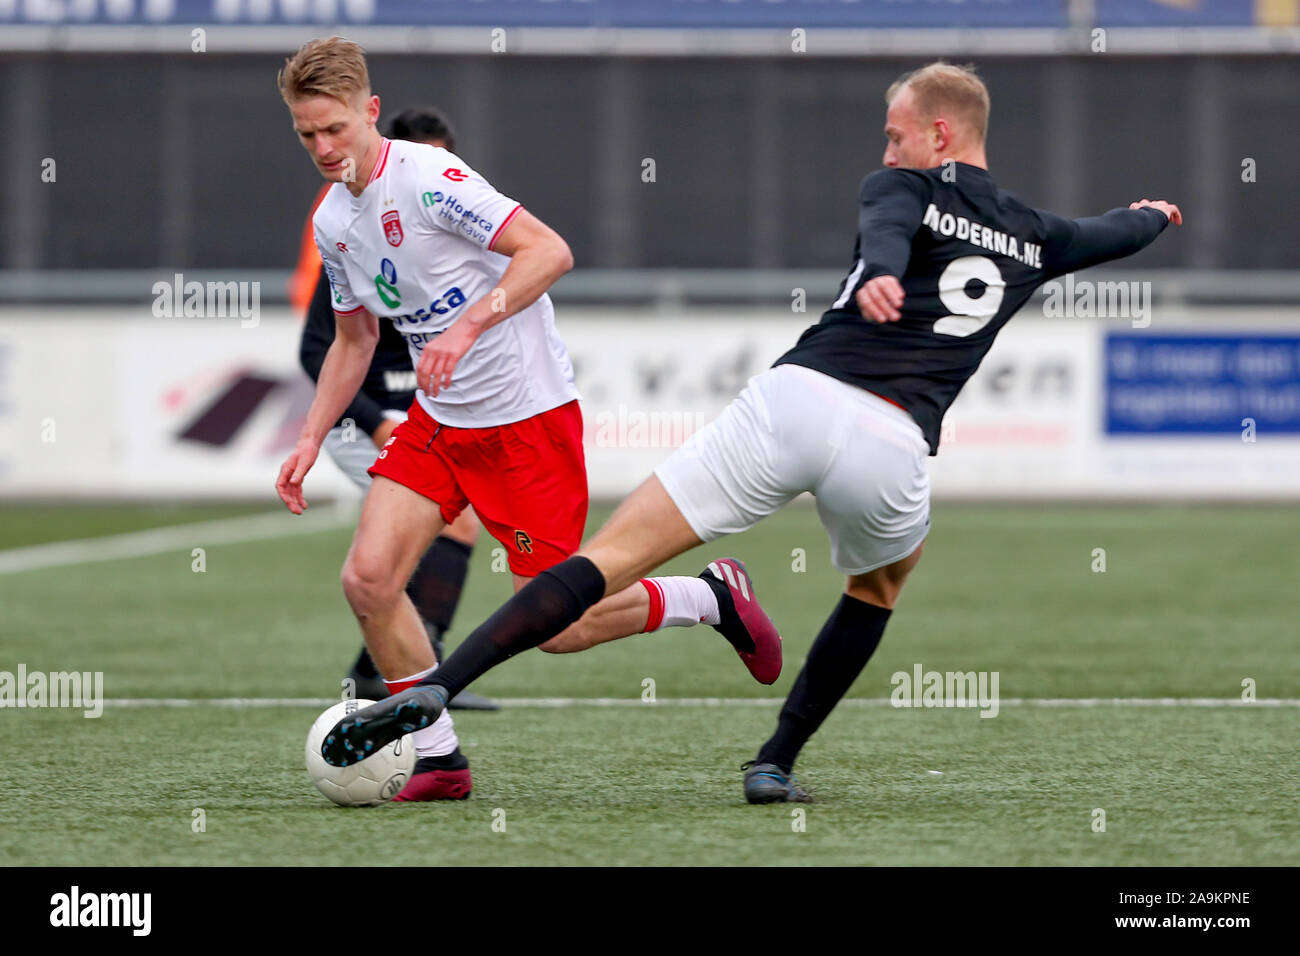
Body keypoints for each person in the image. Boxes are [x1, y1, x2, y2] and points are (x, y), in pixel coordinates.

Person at [318, 61, 1182, 804]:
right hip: (892, 447)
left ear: (940, 135)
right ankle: (774, 761)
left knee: (605, 562)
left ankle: (438, 687)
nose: (886, 152)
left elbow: (886, 228)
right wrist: (1153, 216)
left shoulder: (902, 185)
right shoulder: (1031, 234)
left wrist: (882, 272)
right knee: (878, 588)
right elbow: (1103, 235)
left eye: (895, 135)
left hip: (796, 400)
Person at [275, 38, 782, 802]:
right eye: (306, 134)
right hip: (439, 425)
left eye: (334, 130)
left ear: (369, 111)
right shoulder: (332, 221)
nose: (321, 147)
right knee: (369, 579)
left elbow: (548, 252)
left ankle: (708, 598)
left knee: (560, 628)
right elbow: (354, 340)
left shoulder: (431, 178)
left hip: (525, 426)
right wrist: (312, 437)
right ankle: (440, 760)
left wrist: (468, 324)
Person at [297, 106, 497, 712]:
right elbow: (321, 350)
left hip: (429, 419)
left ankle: (388, 673)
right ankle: (416, 677)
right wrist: (374, 419)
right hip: (365, 419)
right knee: (449, 524)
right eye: (309, 134)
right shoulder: (346, 227)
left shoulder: (449, 212)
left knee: (426, 540)